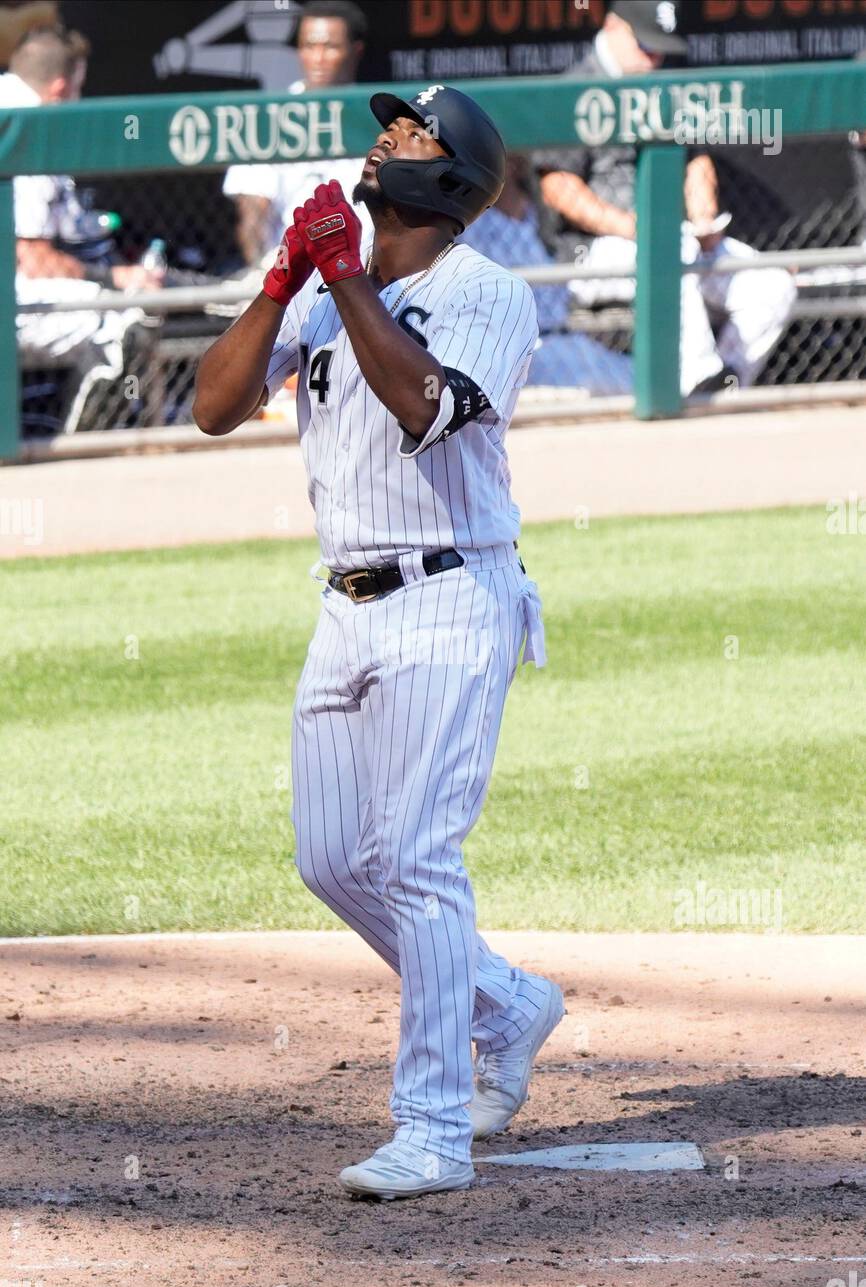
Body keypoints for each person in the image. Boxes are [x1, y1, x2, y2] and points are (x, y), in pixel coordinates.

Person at [194, 85, 566, 1201]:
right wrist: (281, 280)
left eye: (410, 132)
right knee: (330, 859)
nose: (384, 137)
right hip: (344, 602)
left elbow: (424, 408)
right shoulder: (318, 293)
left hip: (452, 596)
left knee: (412, 857)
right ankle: (504, 1003)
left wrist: (343, 273)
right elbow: (213, 405)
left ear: (450, 176)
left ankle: (433, 1129)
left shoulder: (484, 293)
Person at [533, 0, 796, 395]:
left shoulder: (664, 83)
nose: (655, 58)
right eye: (646, 46)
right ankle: (695, 380)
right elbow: (557, 186)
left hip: (675, 239)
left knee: (772, 284)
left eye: (660, 48)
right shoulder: (577, 85)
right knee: (666, 250)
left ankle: (722, 389)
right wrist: (631, 228)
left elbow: (695, 161)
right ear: (615, 28)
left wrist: (704, 217)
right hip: (592, 253)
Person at [3, 23, 164, 431]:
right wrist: (113, 275)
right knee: (123, 318)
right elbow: (32, 259)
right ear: (60, 88)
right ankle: (76, 438)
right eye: (78, 88)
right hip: (11, 299)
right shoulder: (28, 126)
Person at [461, 154, 634, 395]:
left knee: (633, 377)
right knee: (591, 388)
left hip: (566, 337)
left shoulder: (536, 214)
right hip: (525, 348)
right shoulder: (473, 223)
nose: (517, 162)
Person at [223, 0, 371, 268]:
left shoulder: (376, 117)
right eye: (309, 46)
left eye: (330, 47)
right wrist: (265, 276)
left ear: (356, 51)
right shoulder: (268, 116)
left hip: (368, 269)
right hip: (296, 272)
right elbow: (253, 213)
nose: (318, 58)